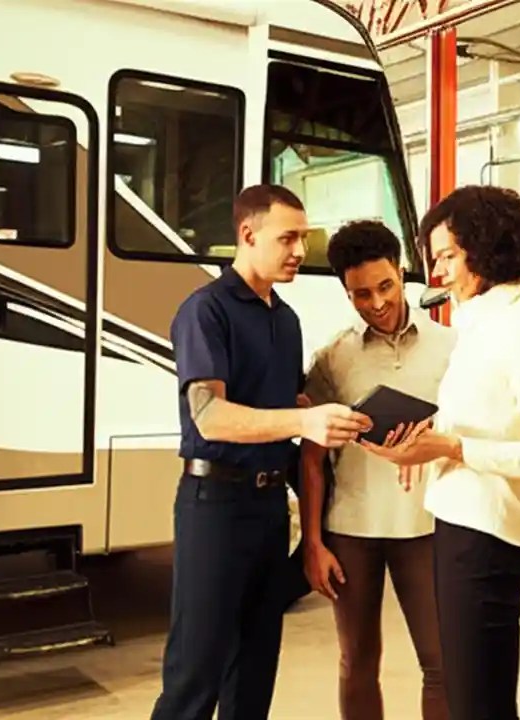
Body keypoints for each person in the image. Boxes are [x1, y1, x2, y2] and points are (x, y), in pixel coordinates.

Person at [359, 185, 520, 720]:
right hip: (461, 525)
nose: (438, 275)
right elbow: (491, 417)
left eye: (447, 257)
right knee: (467, 698)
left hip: (492, 538)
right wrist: (428, 443)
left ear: (488, 249)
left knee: (477, 704)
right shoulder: (481, 325)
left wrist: (456, 448)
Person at [151, 184, 374, 720]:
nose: (299, 251)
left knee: (254, 671)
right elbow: (210, 415)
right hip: (216, 506)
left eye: (304, 237)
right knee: (195, 671)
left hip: (271, 510)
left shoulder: (285, 319)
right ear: (247, 235)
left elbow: (279, 400)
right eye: (288, 238)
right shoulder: (205, 311)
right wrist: (304, 419)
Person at [299, 220, 455, 720]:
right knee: (357, 661)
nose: (377, 303)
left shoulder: (452, 348)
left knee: (441, 664)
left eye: (385, 286)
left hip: (427, 526)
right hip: (351, 531)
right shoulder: (334, 358)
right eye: (360, 294)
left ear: (403, 272)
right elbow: (312, 456)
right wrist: (314, 542)